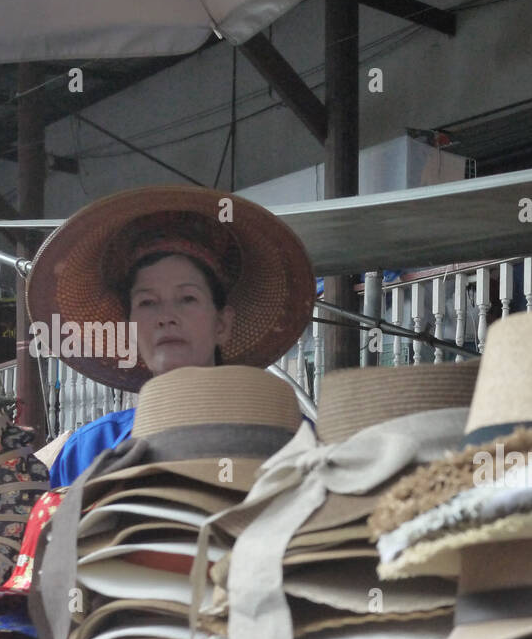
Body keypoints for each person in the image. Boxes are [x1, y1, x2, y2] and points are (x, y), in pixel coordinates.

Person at [26, 187, 316, 487]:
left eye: (187, 298)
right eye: (148, 302)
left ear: (222, 323)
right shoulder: (90, 451)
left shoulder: (288, 436)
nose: (166, 316)